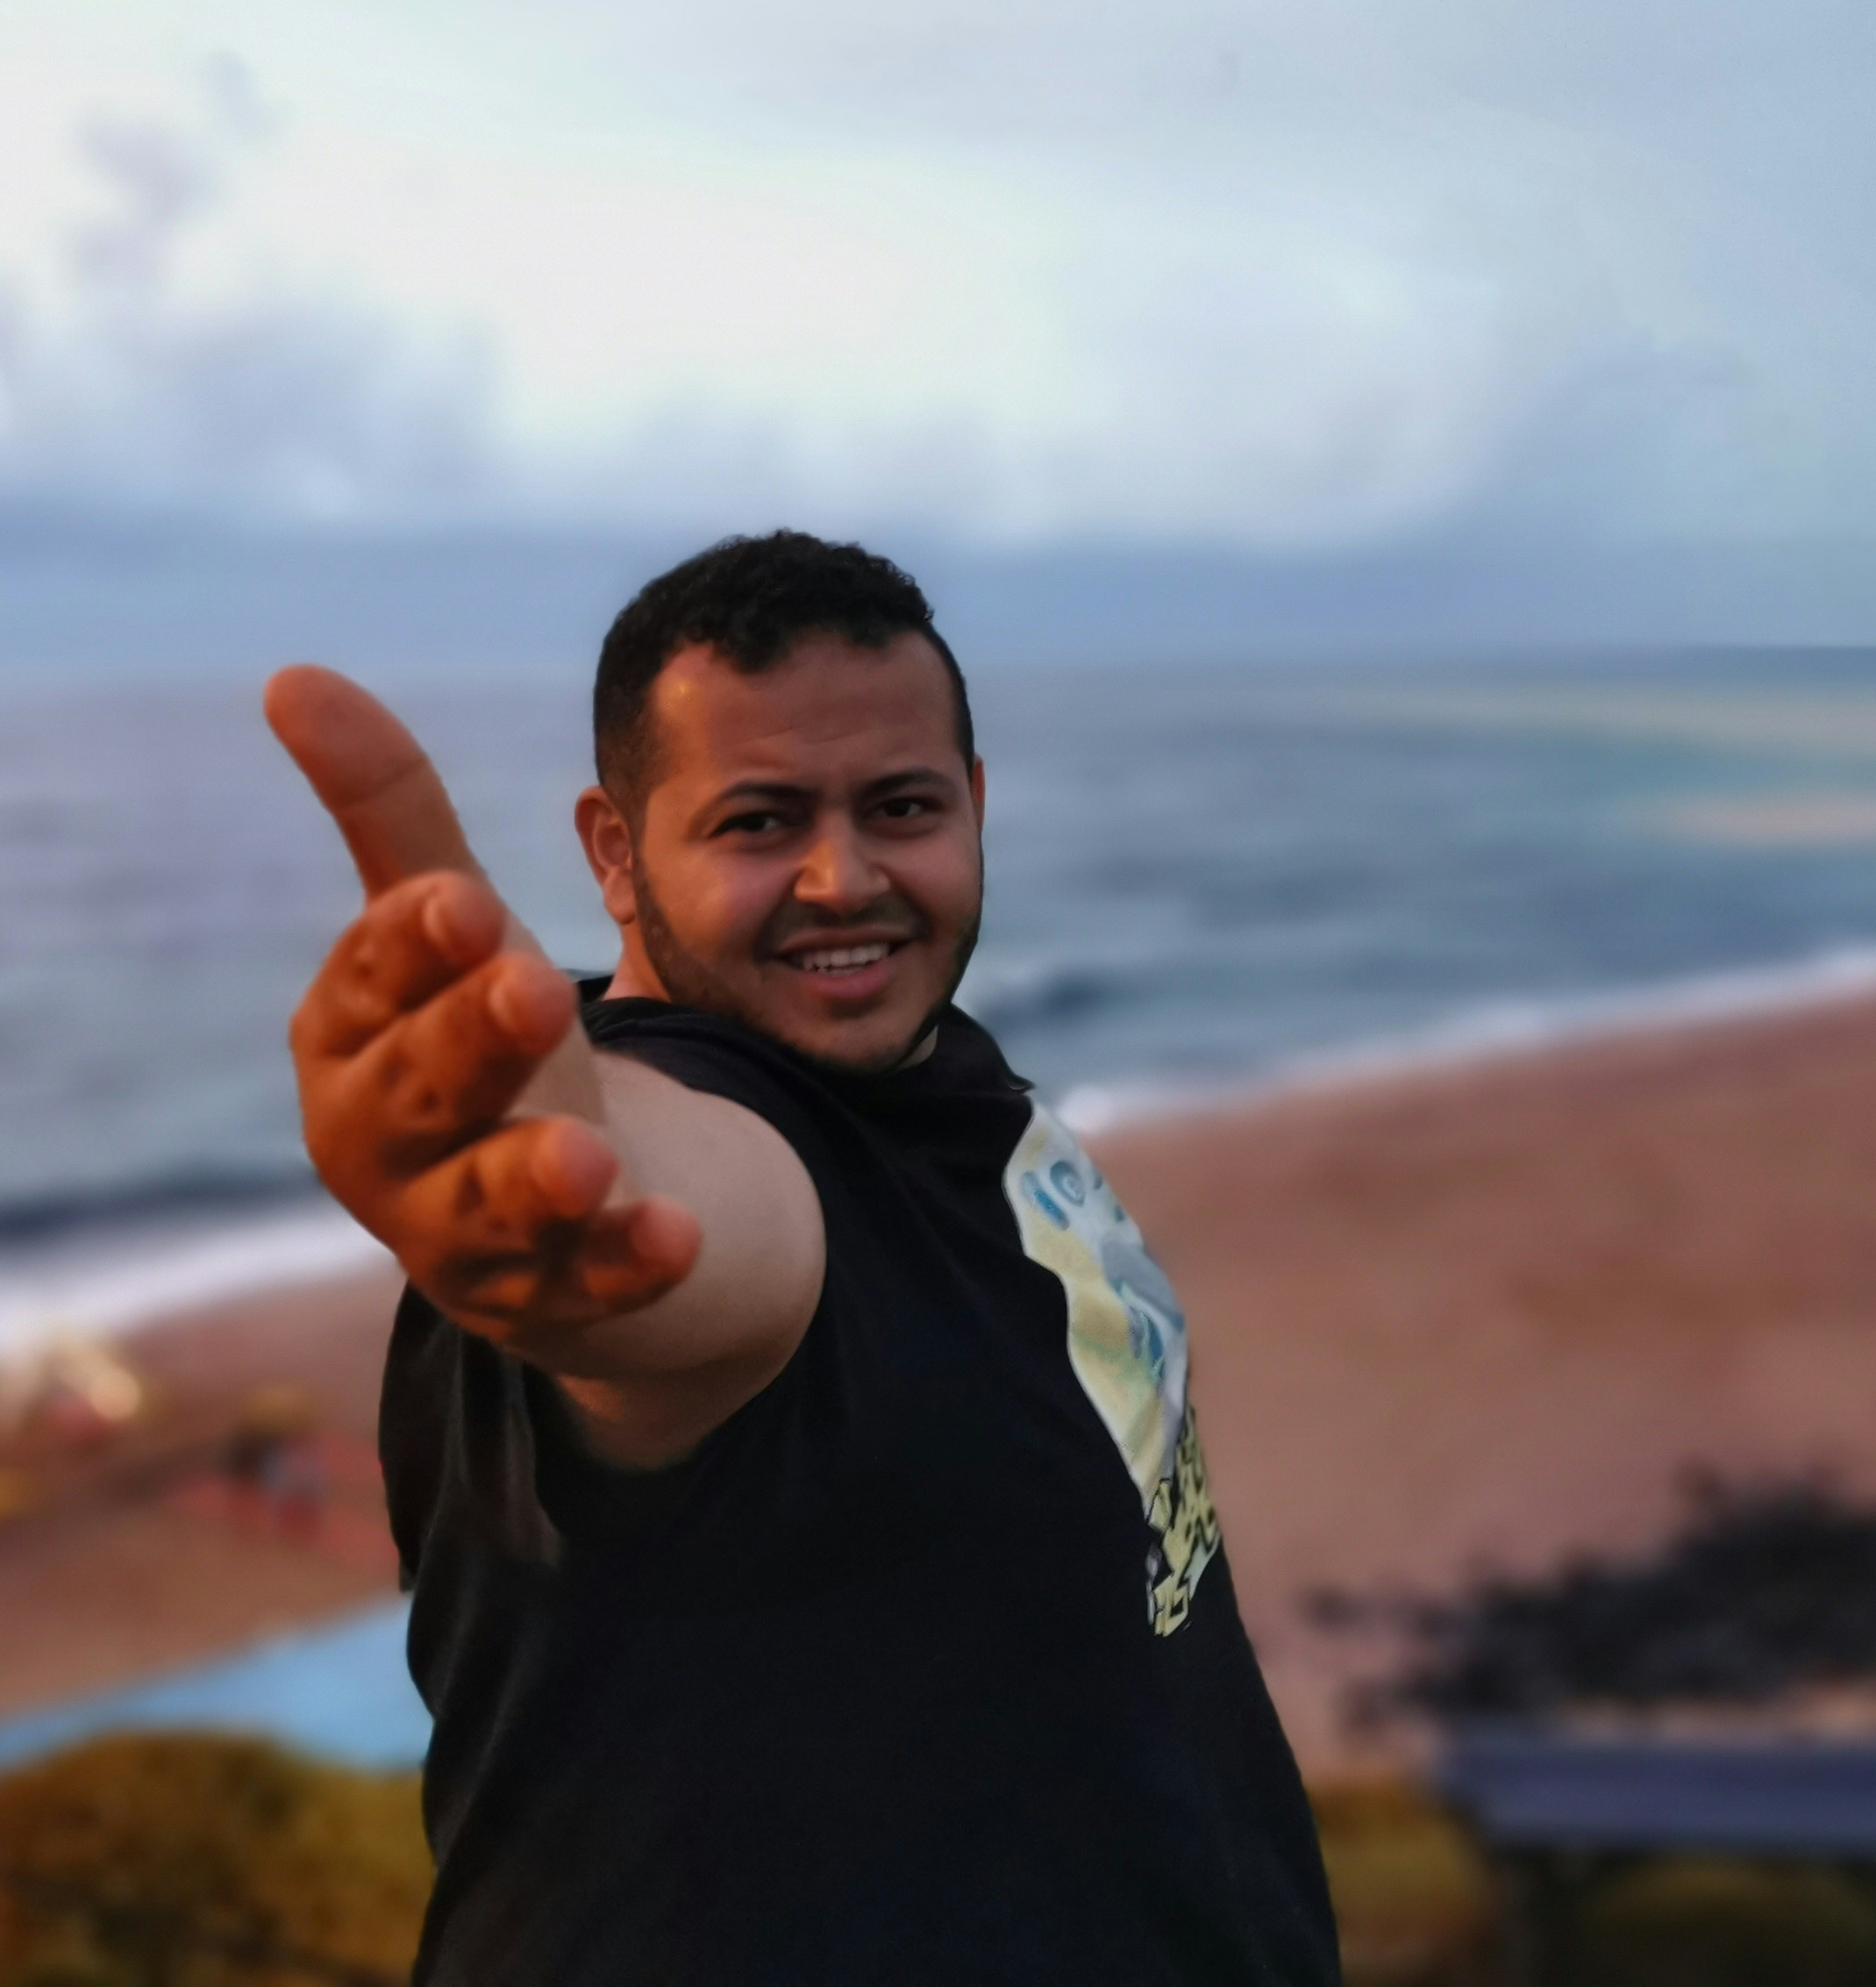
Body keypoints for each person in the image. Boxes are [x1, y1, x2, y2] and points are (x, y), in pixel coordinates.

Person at [266, 531, 1339, 1984]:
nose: (845, 882)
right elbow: (709, 1240)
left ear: (974, 804)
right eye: (760, 823)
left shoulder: (924, 1072)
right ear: (614, 852)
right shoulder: (708, 1134)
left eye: (899, 807)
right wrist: (574, 1224)